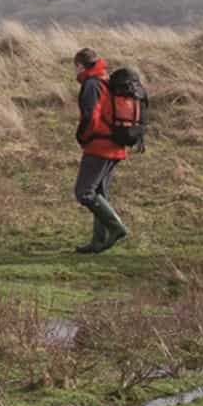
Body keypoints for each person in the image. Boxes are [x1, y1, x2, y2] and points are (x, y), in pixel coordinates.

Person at [72, 48, 131, 254]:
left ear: (80, 65)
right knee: (99, 192)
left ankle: (116, 228)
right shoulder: (105, 80)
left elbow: (91, 117)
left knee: (83, 192)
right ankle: (99, 241)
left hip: (100, 146)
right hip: (115, 145)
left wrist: (82, 137)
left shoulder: (91, 84)